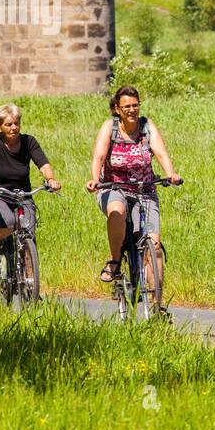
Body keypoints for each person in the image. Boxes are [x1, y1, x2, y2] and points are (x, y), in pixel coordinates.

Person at [85, 86, 181, 286]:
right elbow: (99, 157)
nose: (131, 110)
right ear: (117, 109)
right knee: (117, 211)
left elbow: (161, 153)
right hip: (113, 187)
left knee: (154, 246)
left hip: (145, 190)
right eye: (126, 106)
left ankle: (157, 306)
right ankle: (115, 261)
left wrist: (170, 174)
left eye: (135, 105)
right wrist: (95, 179)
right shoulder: (109, 127)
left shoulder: (146, 126)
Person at [0, 103, 61, 270]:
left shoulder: (29, 141)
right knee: (8, 223)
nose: (13, 128)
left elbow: (43, 164)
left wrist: (51, 179)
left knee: (28, 235)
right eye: (8, 124)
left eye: (16, 123)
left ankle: (31, 285)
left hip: (23, 196)